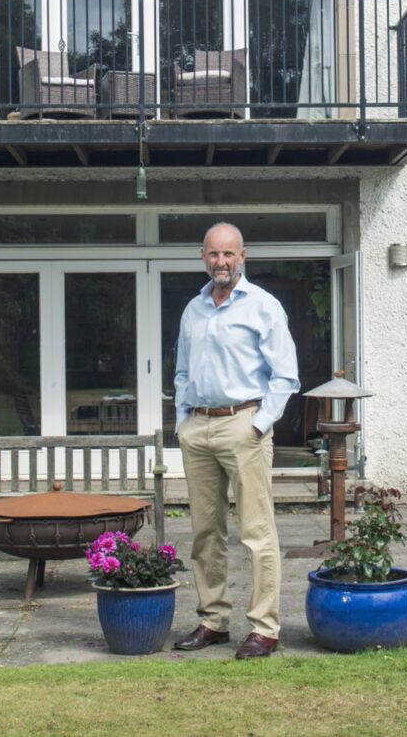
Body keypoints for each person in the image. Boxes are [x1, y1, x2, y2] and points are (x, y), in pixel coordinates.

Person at [171, 222, 299, 660]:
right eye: (213, 254)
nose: (220, 262)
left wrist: (259, 425)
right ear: (202, 256)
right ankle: (213, 620)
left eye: (228, 254)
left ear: (243, 256)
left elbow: (285, 376)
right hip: (199, 428)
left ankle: (264, 628)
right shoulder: (194, 309)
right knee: (205, 532)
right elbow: (183, 371)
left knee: (256, 532)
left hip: (243, 425)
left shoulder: (263, 307)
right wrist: (182, 421)